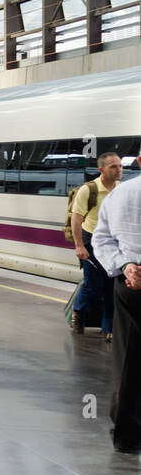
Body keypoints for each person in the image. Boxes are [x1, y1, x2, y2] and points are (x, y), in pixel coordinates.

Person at [88, 174, 141, 453]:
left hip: (132, 285)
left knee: (128, 358)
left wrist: (126, 266)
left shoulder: (121, 194)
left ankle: (126, 435)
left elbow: (101, 239)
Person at [71, 152, 124, 341]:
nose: (119, 170)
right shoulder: (88, 190)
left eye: (120, 166)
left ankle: (108, 329)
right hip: (91, 240)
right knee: (93, 285)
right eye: (113, 167)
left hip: (113, 242)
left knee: (112, 287)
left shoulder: (121, 189)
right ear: (101, 169)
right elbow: (76, 219)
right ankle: (78, 311)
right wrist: (79, 246)